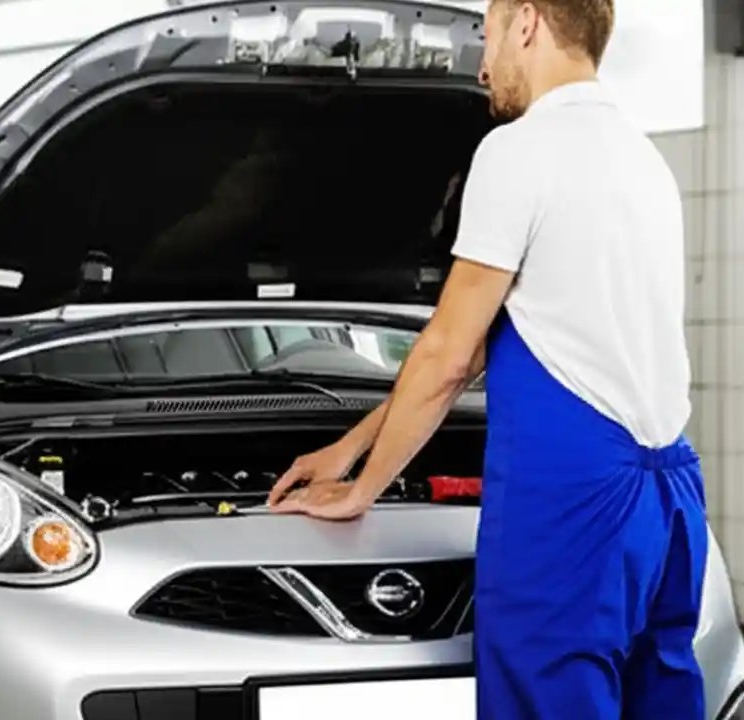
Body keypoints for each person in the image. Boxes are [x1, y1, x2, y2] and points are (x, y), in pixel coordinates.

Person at [267, 1, 706, 718]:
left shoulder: (519, 149)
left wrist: (363, 489)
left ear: (526, 23)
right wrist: (349, 447)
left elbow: (447, 352)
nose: (482, 67)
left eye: (489, 36)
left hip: (573, 499)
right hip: (670, 499)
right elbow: (492, 344)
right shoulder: (641, 158)